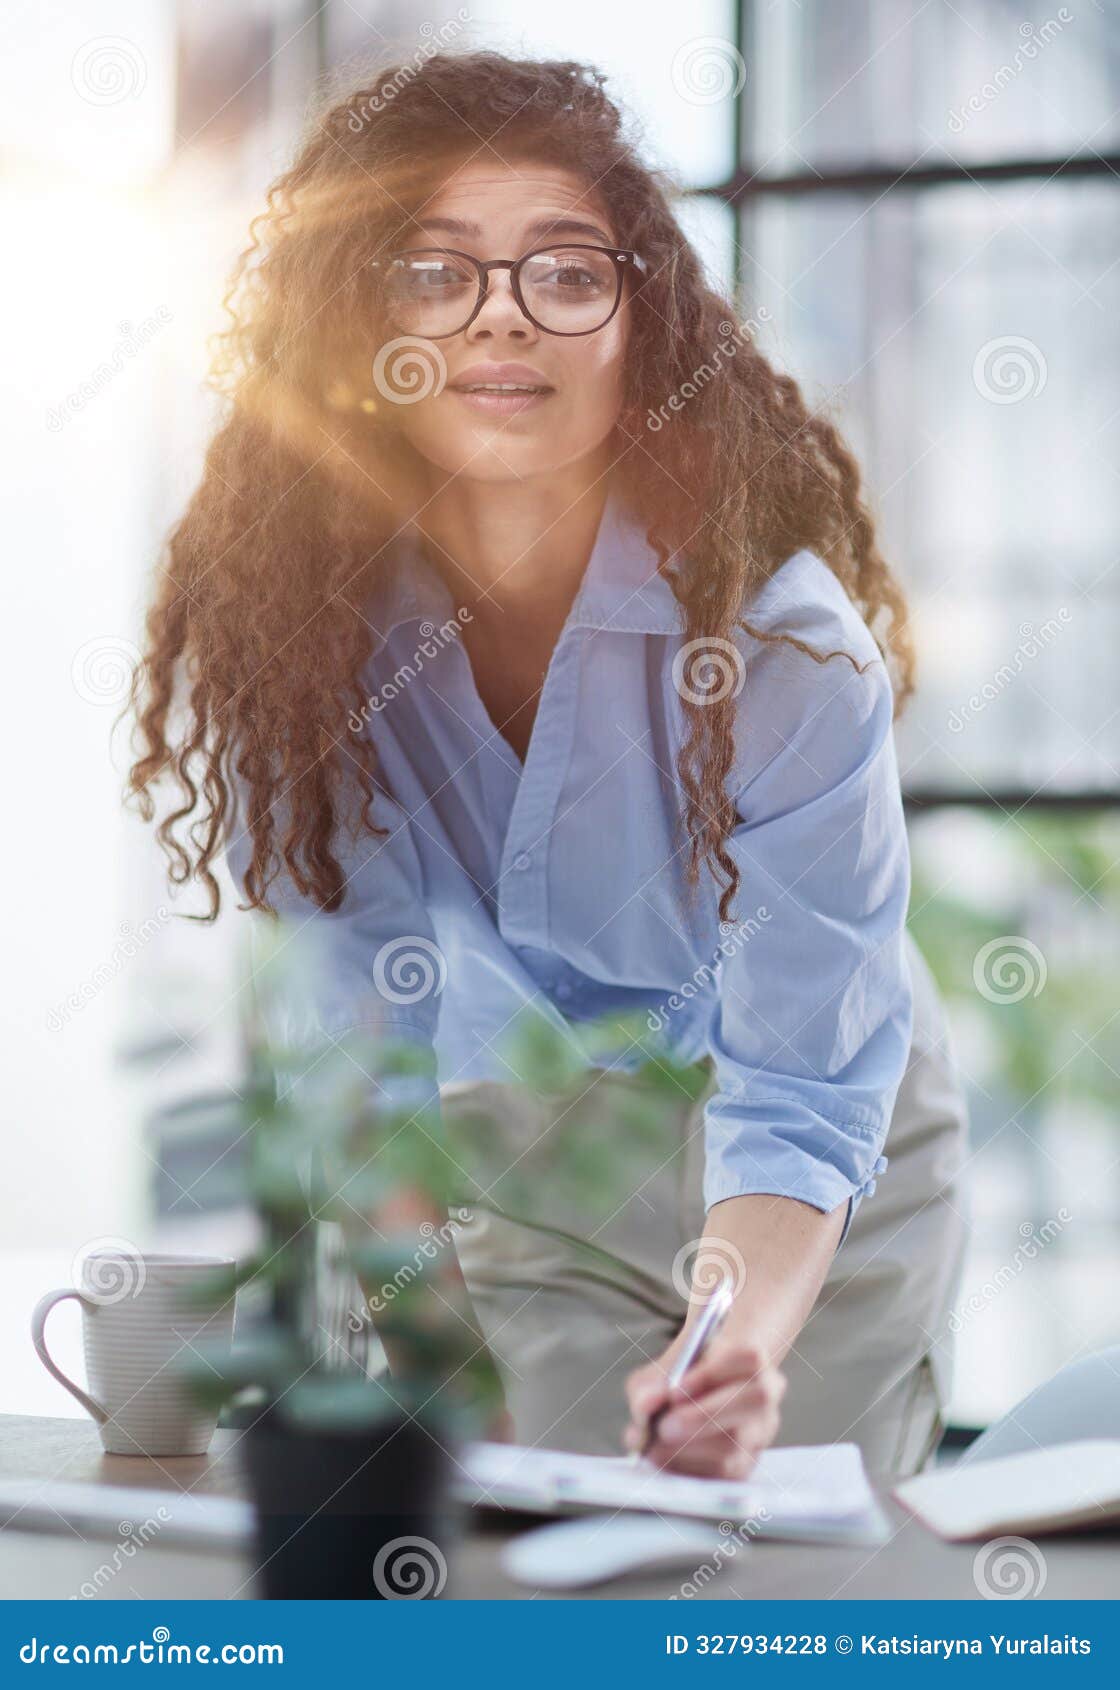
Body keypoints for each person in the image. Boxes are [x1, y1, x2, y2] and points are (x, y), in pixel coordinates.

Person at [126, 50, 968, 1482]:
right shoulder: (295, 646)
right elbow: (354, 1056)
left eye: (567, 275)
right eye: (433, 274)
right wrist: (438, 1347)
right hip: (529, 1152)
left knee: (781, 1574)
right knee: (540, 1571)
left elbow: (803, 1090)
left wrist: (737, 1344)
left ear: (638, 324)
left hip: (813, 1179)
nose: (503, 320)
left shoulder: (784, 643)